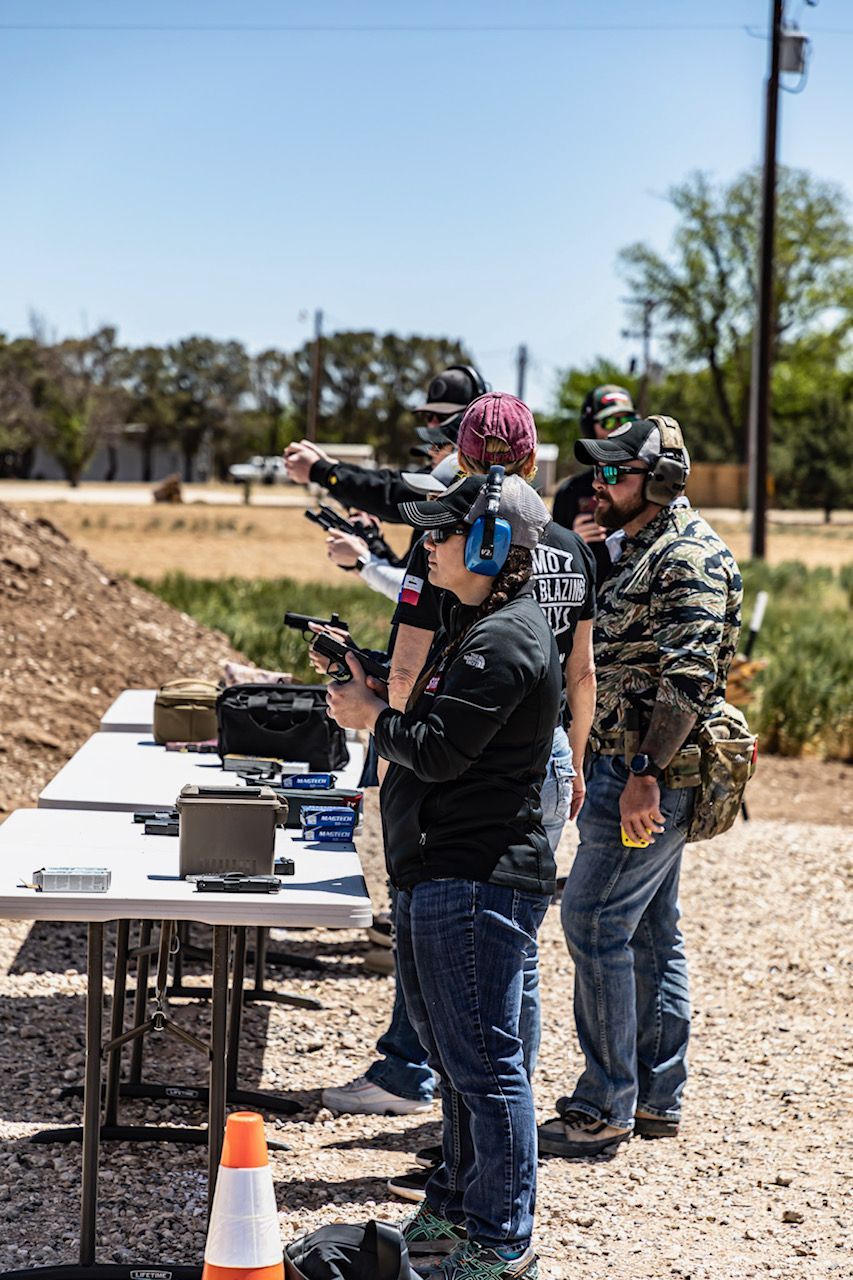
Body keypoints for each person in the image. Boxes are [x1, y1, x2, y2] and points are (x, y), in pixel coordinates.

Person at [320, 395, 597, 1134]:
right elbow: (582, 675)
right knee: (514, 950)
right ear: (534, 463)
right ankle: (502, 1112)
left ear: (462, 463)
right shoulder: (568, 546)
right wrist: (574, 763)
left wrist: (391, 741)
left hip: (452, 754)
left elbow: (409, 667)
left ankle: (468, 1117)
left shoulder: (450, 536)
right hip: (545, 755)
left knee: (448, 937)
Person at [324, 474, 561, 1280]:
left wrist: (370, 718)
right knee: (455, 1058)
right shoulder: (479, 625)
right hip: (444, 870)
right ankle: (461, 1208)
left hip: (475, 875)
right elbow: (433, 726)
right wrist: (372, 683)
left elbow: (437, 750)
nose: (425, 544)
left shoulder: (504, 637)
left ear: (494, 545)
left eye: (443, 533)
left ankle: (498, 1237)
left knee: (485, 1065)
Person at [538, 415, 743, 1159]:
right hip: (630, 769)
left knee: (591, 921)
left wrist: (643, 776)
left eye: (615, 474)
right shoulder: (637, 547)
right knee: (650, 929)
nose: (598, 484)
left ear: (658, 482)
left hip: (648, 775)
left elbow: (687, 681)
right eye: (598, 472)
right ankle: (655, 1097)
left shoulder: (685, 557)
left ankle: (603, 1106)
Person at [551, 384, 636, 586]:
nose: (619, 427)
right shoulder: (570, 492)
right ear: (590, 428)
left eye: (626, 419)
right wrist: (571, 542)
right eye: (608, 421)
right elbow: (551, 563)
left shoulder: (646, 483)